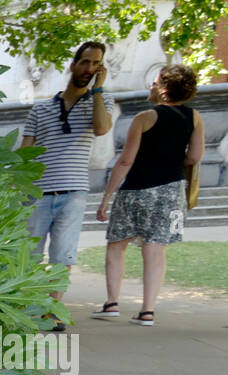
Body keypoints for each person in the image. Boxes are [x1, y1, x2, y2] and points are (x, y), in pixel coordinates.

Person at [93, 64, 204, 325]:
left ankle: (111, 303)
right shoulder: (194, 117)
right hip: (171, 191)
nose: (151, 86)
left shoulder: (144, 117)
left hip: (136, 189)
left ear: (164, 88)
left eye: (154, 83)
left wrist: (106, 197)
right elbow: (195, 157)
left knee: (117, 244)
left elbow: (125, 161)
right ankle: (147, 311)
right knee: (156, 249)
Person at [20, 42, 115, 329]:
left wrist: (98, 89)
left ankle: (52, 311)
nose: (89, 69)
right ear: (73, 65)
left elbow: (101, 128)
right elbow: (26, 150)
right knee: (29, 253)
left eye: (96, 64)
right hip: (37, 191)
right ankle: (25, 308)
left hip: (73, 192)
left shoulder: (101, 103)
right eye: (85, 62)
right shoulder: (41, 109)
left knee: (63, 254)